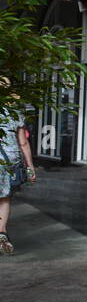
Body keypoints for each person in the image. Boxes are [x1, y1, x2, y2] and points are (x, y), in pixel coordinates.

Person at [0, 103, 36, 255]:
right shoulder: (15, 111)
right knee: (4, 198)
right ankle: (1, 232)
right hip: (10, 159)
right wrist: (30, 166)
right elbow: (23, 142)